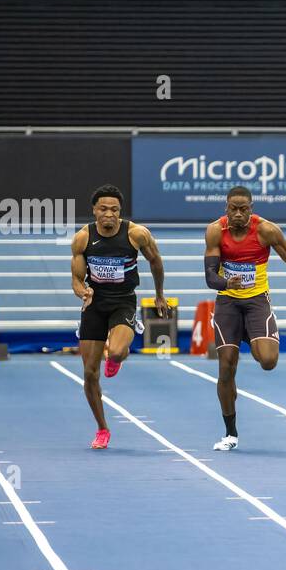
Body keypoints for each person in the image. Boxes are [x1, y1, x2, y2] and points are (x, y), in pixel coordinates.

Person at [204, 185, 286, 451]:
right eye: (233, 209)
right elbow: (210, 277)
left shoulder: (267, 231)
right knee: (226, 367)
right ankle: (231, 433)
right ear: (226, 208)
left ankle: (251, 335)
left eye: (243, 209)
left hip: (257, 302)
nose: (238, 214)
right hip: (228, 303)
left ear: (251, 209)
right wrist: (226, 283)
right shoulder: (215, 231)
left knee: (268, 361)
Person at [70, 184, 167, 449]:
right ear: (94, 211)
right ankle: (102, 428)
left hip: (123, 301)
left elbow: (156, 262)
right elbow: (77, 279)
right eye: (103, 209)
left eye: (114, 209)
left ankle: (116, 357)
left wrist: (159, 294)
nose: (109, 214)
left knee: (115, 352)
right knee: (90, 373)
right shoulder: (82, 238)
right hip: (95, 303)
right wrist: (83, 292)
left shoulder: (137, 235)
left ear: (120, 211)